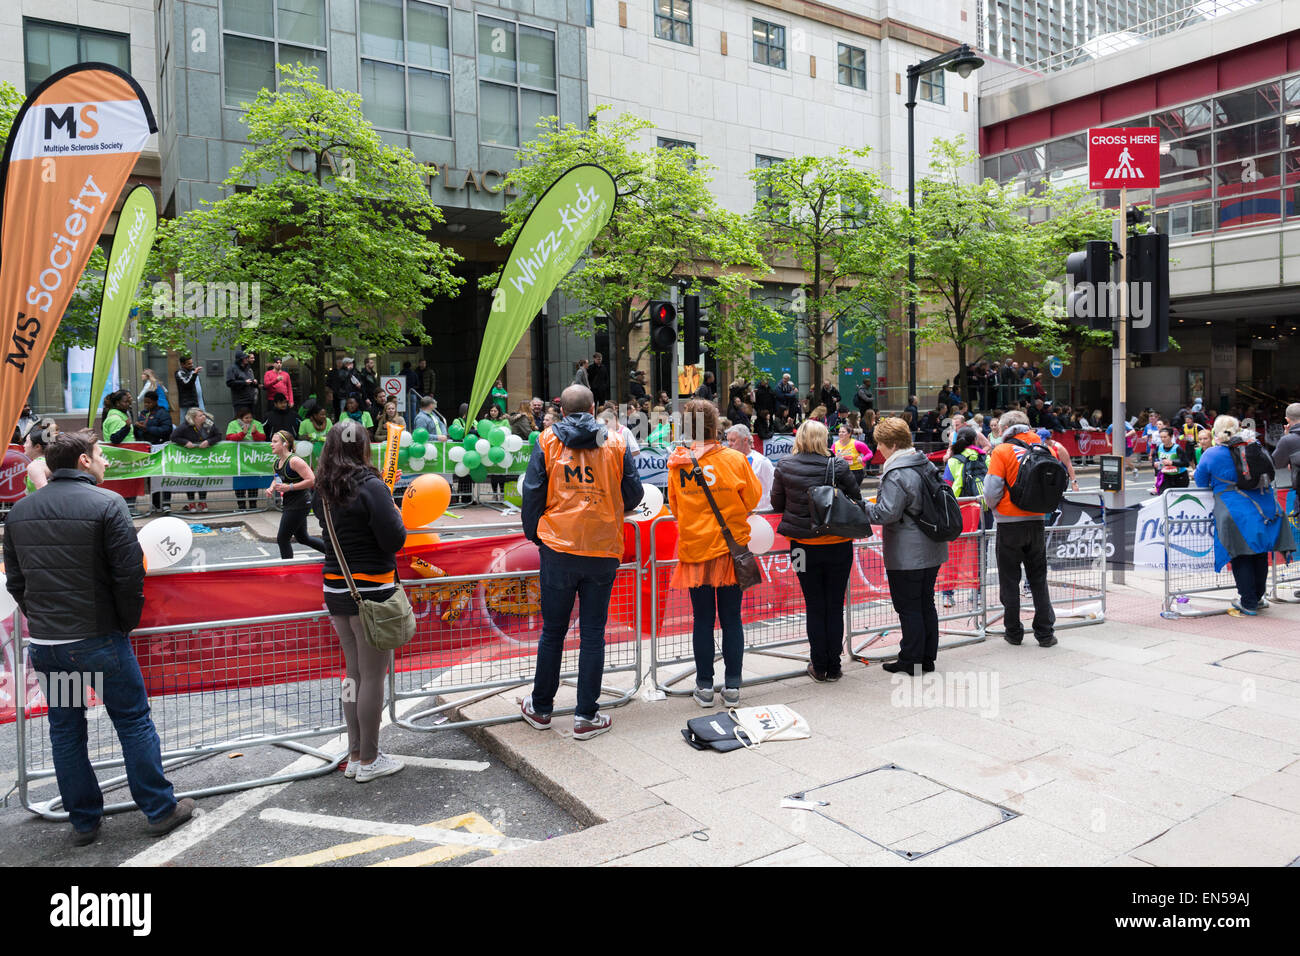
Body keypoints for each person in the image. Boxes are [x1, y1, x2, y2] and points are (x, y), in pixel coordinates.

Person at [3, 430, 196, 845]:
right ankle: (160, 809)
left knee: (67, 729)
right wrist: (122, 625)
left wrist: (42, 620)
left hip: (51, 644)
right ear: (85, 461)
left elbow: (16, 582)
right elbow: (129, 577)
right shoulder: (108, 504)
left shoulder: (19, 513)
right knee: (132, 721)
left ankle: (84, 821)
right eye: (102, 455)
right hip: (99, 639)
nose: (107, 462)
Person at [519, 385, 643, 740]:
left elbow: (533, 492)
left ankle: (541, 707)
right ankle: (586, 715)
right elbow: (633, 493)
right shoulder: (616, 443)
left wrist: (536, 535)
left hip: (558, 546)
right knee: (593, 635)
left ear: (560, 409)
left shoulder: (546, 441)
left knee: (553, 632)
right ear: (592, 408)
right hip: (602, 548)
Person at [312, 421, 408, 780]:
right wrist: (394, 505)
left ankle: (354, 754)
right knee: (372, 677)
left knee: (352, 674)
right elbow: (394, 540)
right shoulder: (372, 487)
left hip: (336, 591)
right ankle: (369, 759)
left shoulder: (322, 490)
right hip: (373, 595)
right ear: (364, 447)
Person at [666, 400, 761, 708]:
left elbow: (676, 509)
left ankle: (704, 687)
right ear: (715, 424)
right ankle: (732, 687)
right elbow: (752, 499)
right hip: (730, 551)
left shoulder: (678, 464)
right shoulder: (735, 459)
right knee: (732, 619)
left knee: (702, 620)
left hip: (696, 552)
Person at [770, 419, 863, 681]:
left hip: (802, 547)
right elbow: (855, 497)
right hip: (838, 545)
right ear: (824, 439)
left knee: (814, 604)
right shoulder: (838, 465)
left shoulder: (785, 466)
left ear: (799, 438)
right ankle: (834, 665)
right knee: (835, 605)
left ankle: (818, 664)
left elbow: (776, 504)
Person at [859, 417, 949, 675]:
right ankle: (927, 658)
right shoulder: (924, 463)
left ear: (893, 444)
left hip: (907, 551)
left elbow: (886, 514)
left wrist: (864, 506)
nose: (878, 450)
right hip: (932, 546)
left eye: (881, 445)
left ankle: (911, 660)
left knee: (908, 607)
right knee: (925, 603)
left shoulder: (897, 471)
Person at [1195, 416, 1294, 615]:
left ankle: (1248, 602)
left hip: (1234, 510)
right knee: (1259, 553)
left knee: (1241, 555)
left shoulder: (1212, 454)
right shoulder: (1253, 447)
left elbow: (1200, 481)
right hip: (1263, 508)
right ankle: (1258, 598)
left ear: (1216, 432)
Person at [984, 410, 1056, 648]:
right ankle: (1045, 633)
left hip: (1008, 523)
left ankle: (1014, 632)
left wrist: (995, 509)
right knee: (1038, 579)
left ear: (1004, 429)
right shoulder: (1045, 448)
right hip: (1037, 521)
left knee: (1009, 580)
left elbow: (992, 490)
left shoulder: (1002, 451)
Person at [267, 430, 326, 560]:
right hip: (290, 502)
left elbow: (312, 480)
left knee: (282, 539)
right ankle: (335, 556)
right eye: (272, 441)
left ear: (285, 444)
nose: (271, 444)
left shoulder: (294, 461)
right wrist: (271, 488)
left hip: (300, 503)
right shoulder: (277, 462)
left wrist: (290, 487)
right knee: (303, 538)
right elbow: (277, 478)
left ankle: (288, 570)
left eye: (275, 442)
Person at [172, 407, 222, 513]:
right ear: (194, 418)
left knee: (203, 478)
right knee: (190, 479)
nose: (204, 416)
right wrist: (185, 442)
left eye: (204, 414)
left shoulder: (208, 424)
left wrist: (209, 441)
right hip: (190, 457)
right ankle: (191, 502)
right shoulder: (185, 426)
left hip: (204, 456)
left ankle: (202, 501)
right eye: (201, 415)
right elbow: (174, 437)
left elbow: (218, 436)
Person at [134, 392, 175, 514]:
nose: (146, 404)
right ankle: (156, 504)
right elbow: (138, 433)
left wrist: (147, 428)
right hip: (147, 449)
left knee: (164, 476)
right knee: (151, 477)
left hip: (160, 448)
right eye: (145, 402)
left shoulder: (163, 413)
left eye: (149, 402)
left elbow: (167, 430)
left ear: (155, 401)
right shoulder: (143, 413)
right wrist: (137, 428)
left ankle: (166, 503)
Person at [225, 407, 267, 511]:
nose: (249, 420)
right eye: (246, 418)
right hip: (238, 457)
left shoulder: (256, 423)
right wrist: (242, 433)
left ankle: (253, 505)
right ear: (240, 418)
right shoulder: (233, 424)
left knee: (253, 481)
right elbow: (229, 437)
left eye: (250, 417)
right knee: (240, 482)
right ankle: (241, 506)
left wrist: (254, 433)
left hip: (252, 457)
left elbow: (263, 437)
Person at [726, 423, 774, 512]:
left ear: (745, 440)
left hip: (760, 512)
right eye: (728, 440)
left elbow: (773, 488)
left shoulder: (762, 462)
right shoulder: (728, 460)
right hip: (739, 514)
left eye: (733, 440)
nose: (729, 444)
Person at [1151, 426, 1190, 495]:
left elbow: (1186, 463)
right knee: (1164, 496)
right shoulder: (1159, 447)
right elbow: (1155, 457)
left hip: (1180, 477)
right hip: (1166, 476)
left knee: (1178, 500)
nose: (1163, 439)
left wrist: (1172, 462)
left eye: (1165, 437)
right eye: (1161, 437)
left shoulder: (1177, 448)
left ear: (1171, 437)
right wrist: (1155, 463)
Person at [23, 424, 55, 493]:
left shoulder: (36, 466)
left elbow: (44, 494)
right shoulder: (55, 461)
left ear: (37, 447)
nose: (24, 445)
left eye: (27, 442)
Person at [226, 349, 259, 413]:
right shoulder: (232, 368)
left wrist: (254, 382)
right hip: (240, 402)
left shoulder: (248, 369)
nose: (247, 359)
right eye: (245, 358)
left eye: (247, 357)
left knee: (250, 420)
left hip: (250, 401)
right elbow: (229, 383)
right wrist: (244, 382)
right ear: (240, 359)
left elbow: (250, 382)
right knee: (241, 421)